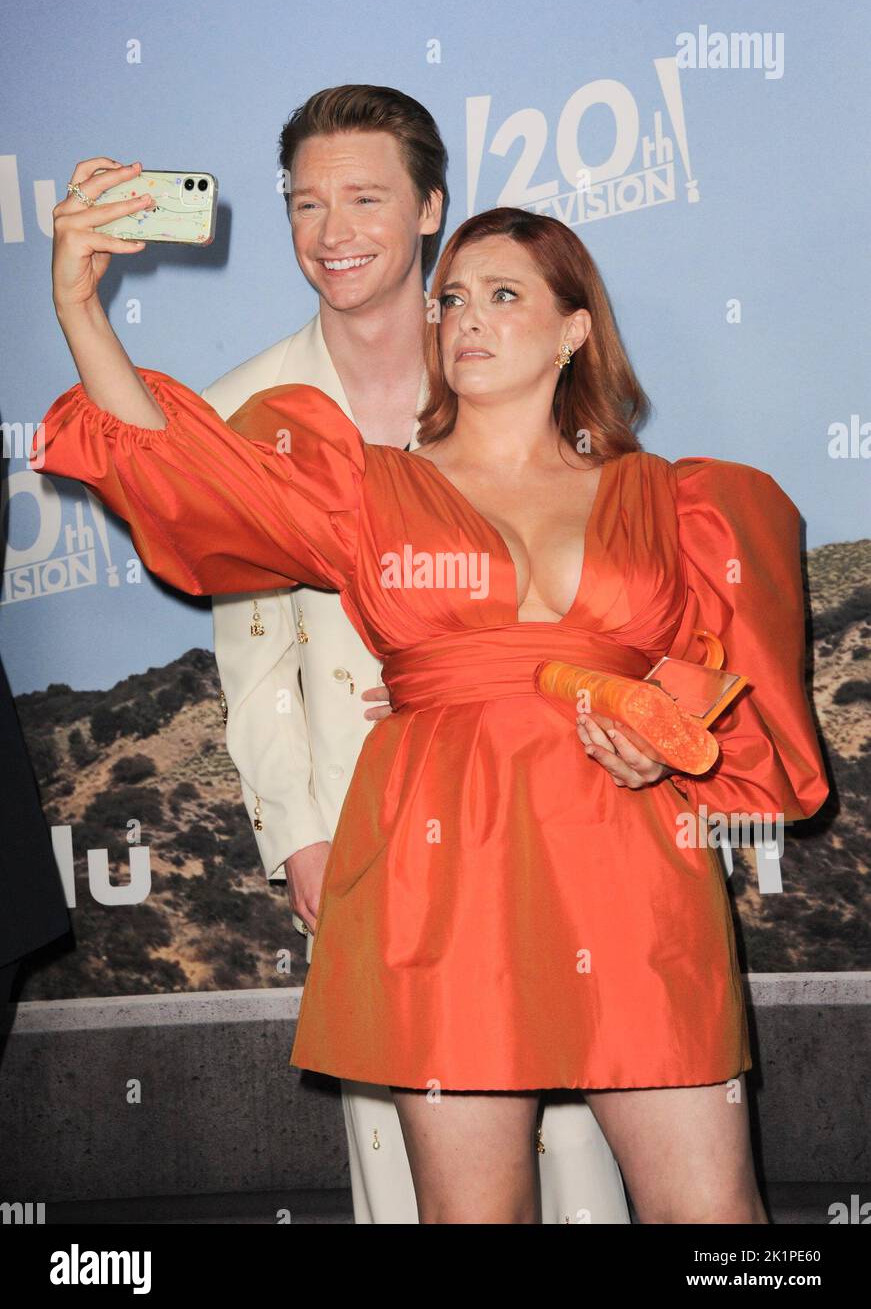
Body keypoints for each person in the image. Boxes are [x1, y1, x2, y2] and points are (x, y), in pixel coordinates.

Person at [33, 176, 829, 1224]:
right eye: (451, 298)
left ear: (573, 330)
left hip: (634, 871)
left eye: (504, 295)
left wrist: (667, 742)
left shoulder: (676, 499)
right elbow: (185, 474)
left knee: (718, 1223)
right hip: (440, 874)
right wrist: (81, 310)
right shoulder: (362, 486)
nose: (465, 319)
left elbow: (721, 685)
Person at [201, 86, 627, 1224]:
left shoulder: (510, 360)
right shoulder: (247, 407)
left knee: (583, 1148)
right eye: (304, 203)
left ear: (430, 206)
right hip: (371, 826)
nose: (331, 230)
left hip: (555, 818)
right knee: (414, 1169)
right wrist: (296, 827)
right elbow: (255, 652)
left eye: (364, 197)